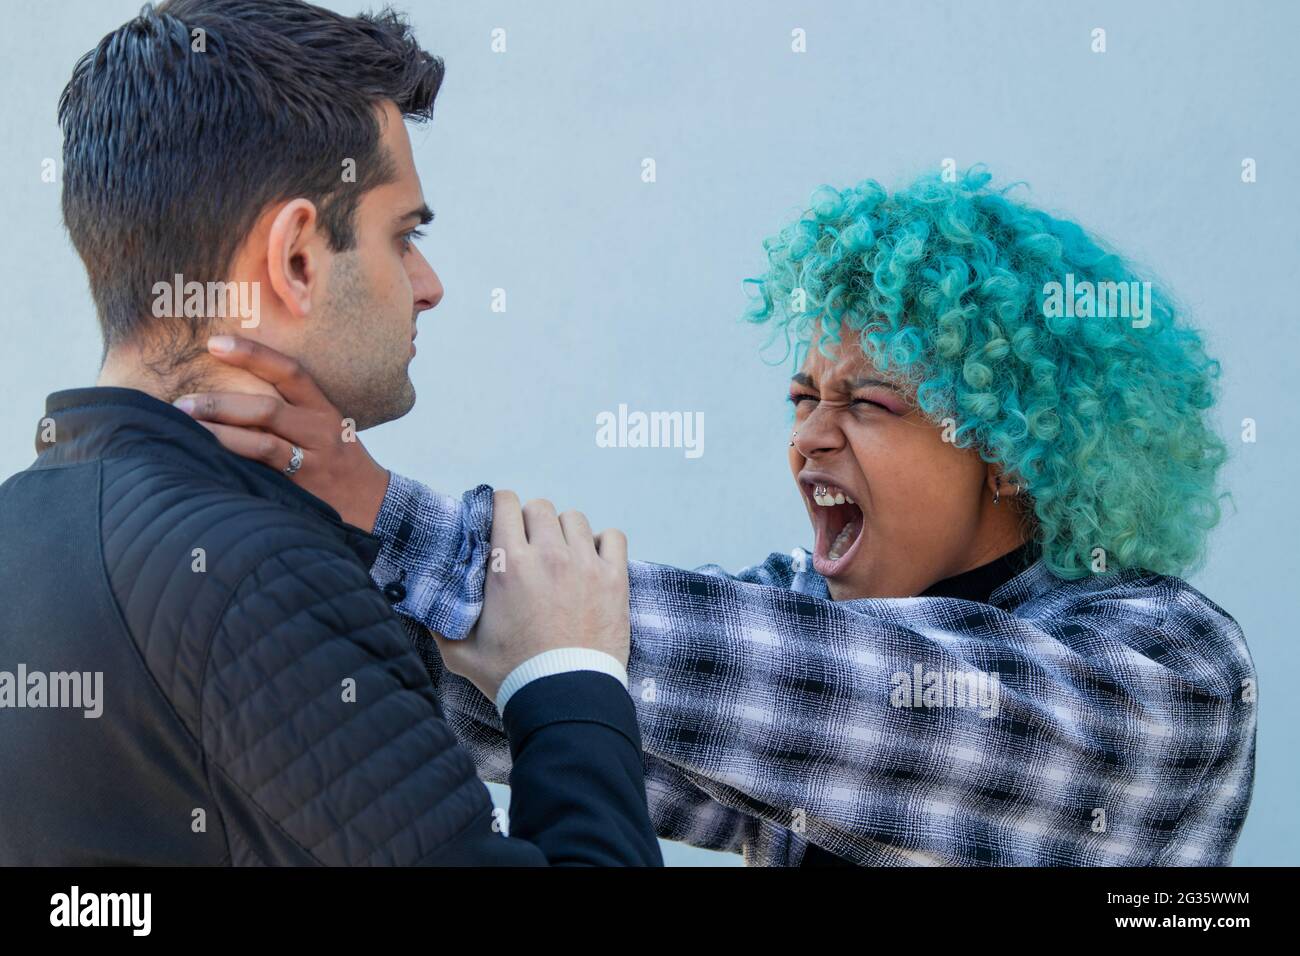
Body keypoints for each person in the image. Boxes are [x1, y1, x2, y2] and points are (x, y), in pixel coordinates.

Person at [183, 168, 1258, 866]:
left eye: (867, 403)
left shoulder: (1173, 664)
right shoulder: (802, 605)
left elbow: (836, 694)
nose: (810, 438)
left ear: (1013, 450)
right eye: (802, 398)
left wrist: (373, 503)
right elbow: (523, 698)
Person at [0, 0, 662, 867]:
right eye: (405, 235)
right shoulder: (258, 580)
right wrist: (568, 678)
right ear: (297, 259)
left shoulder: (24, 531)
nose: (428, 285)